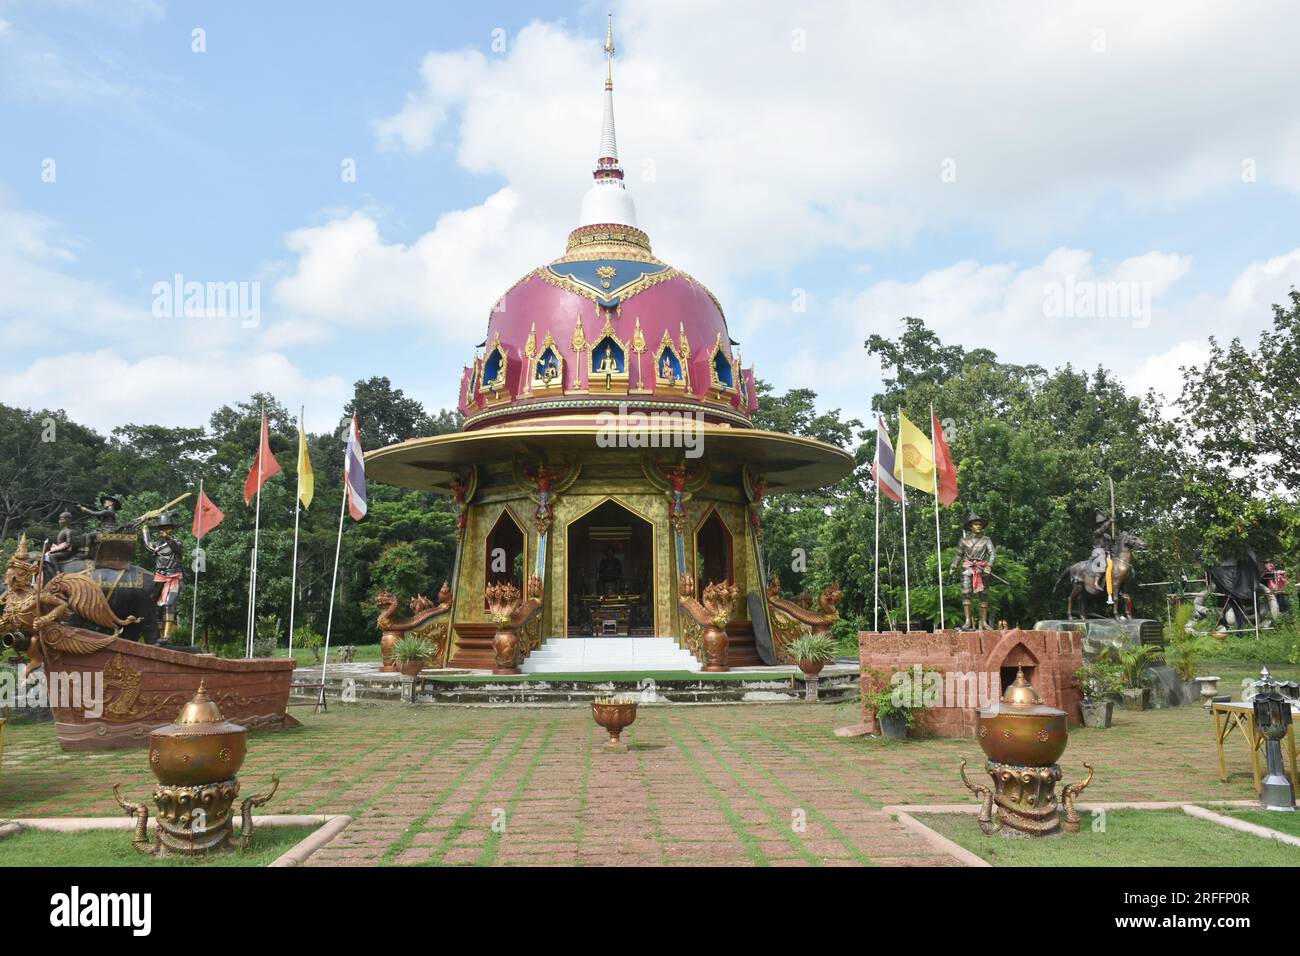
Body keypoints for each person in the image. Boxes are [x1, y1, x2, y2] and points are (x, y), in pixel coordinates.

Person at [948, 513, 997, 630]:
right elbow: (959, 555)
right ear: (970, 526)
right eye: (976, 524)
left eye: (980, 524)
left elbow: (992, 553)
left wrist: (989, 565)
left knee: (983, 595)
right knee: (966, 593)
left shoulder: (986, 540)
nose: (978, 526)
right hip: (968, 569)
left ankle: (984, 622)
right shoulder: (963, 541)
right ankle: (967, 621)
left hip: (982, 569)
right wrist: (953, 566)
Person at [142, 510, 184, 642]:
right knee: (153, 606)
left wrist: (167, 537)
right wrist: (144, 528)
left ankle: (167, 635)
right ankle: (157, 635)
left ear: (171, 529)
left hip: (173, 578)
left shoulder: (176, 543)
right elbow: (149, 545)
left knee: (169, 604)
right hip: (159, 578)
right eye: (161, 528)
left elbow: (174, 546)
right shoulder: (158, 546)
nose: (163, 531)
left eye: (166, 528)